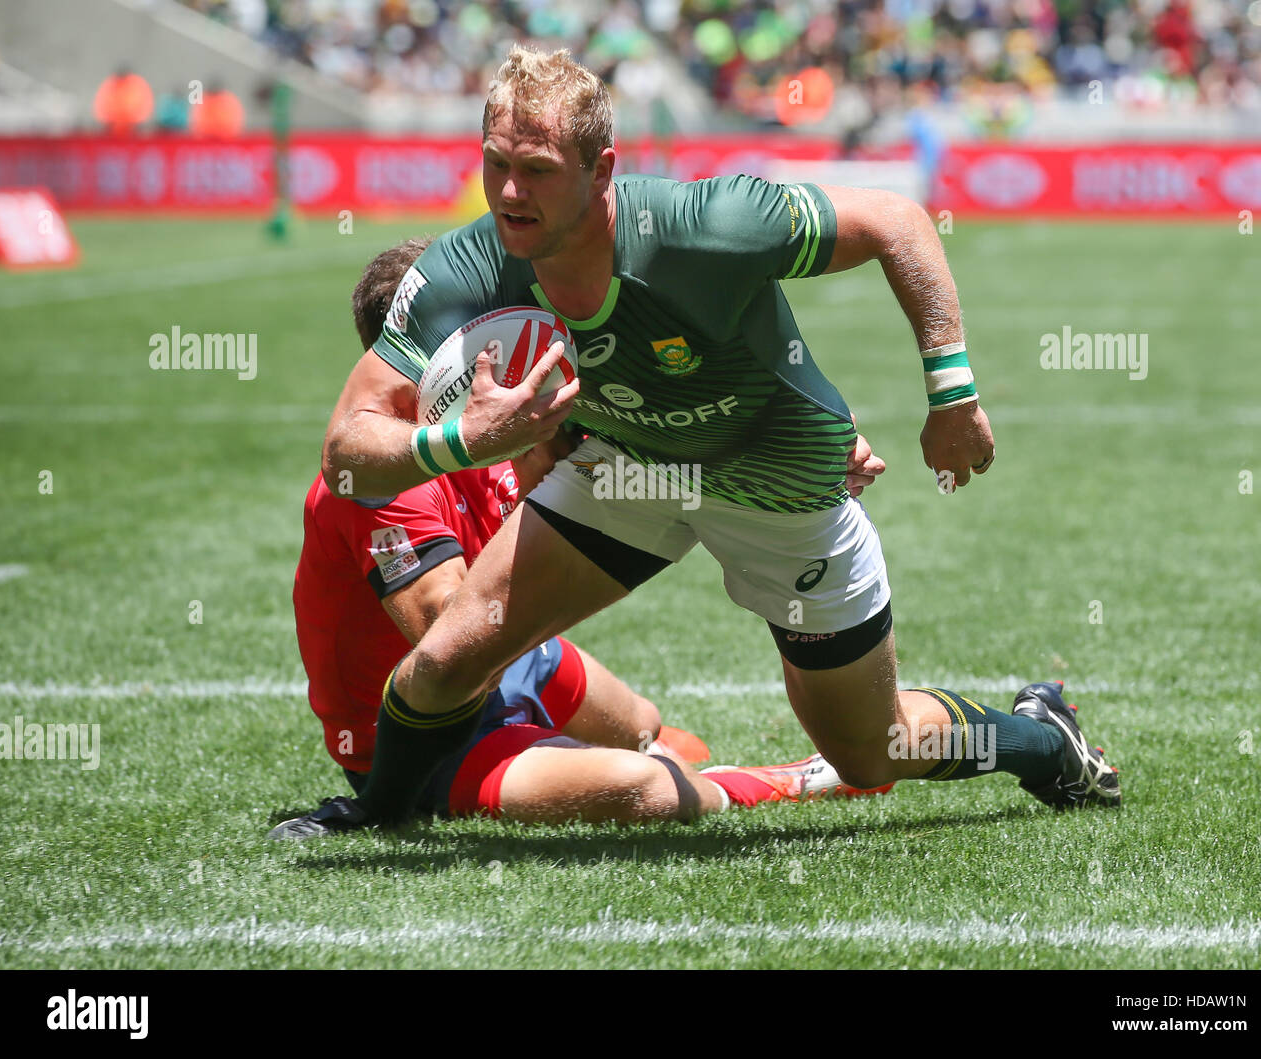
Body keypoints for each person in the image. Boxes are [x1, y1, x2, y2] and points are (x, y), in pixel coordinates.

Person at [277, 46, 1119, 838]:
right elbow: (348, 451)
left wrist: (954, 398)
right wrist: (462, 438)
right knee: (449, 657)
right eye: (496, 163)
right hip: (632, 472)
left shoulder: (705, 224)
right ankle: (380, 817)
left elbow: (899, 223)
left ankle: (1041, 739)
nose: (507, 194)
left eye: (537, 171)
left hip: (777, 486)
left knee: (872, 747)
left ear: (603, 171)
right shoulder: (463, 270)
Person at [271, 239, 889, 837]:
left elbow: (674, 438)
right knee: (643, 786)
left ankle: (591, 751)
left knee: (653, 730)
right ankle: (788, 779)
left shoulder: (497, 424)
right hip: (435, 727)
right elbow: (446, 642)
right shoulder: (376, 483)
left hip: (516, 663)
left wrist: (819, 449)